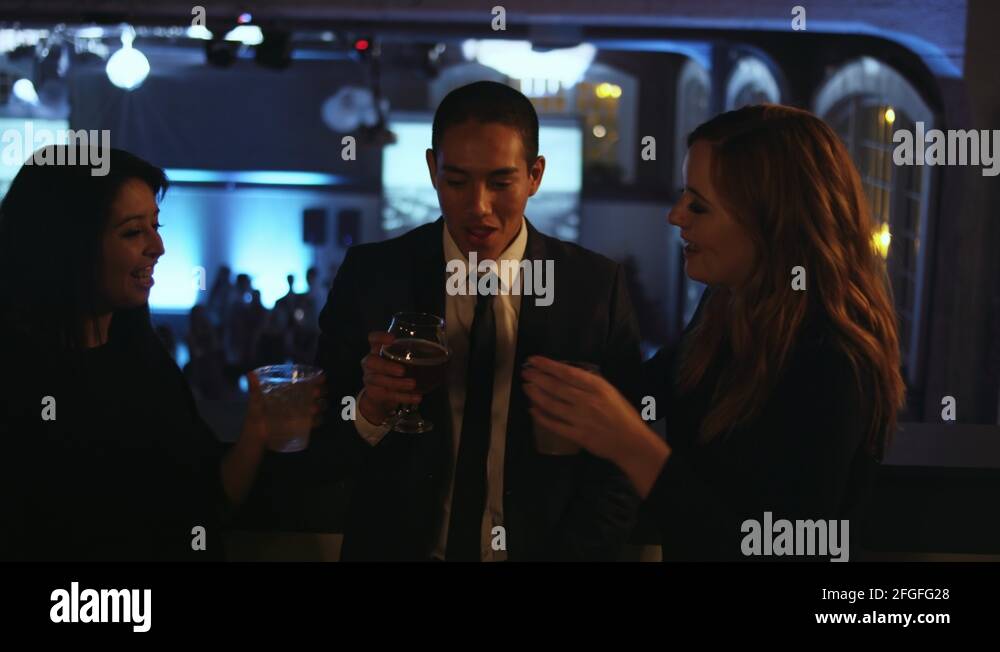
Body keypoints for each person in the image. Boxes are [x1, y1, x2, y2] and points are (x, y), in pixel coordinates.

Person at [521, 104, 907, 561]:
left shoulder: (833, 358)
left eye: (698, 204)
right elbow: (648, 387)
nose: (675, 215)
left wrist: (633, 446)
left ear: (770, 221)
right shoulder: (728, 304)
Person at [311, 81, 642, 561]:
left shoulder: (592, 288)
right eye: (457, 181)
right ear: (431, 170)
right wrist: (367, 410)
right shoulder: (374, 276)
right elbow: (322, 449)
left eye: (501, 183)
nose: (478, 207)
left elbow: (622, 461)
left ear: (535, 175)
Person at [0, 146, 321, 561]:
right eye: (134, 232)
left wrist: (256, 430)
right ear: (67, 245)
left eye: (156, 225)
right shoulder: (17, 379)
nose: (159, 246)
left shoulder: (144, 360)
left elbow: (208, 503)